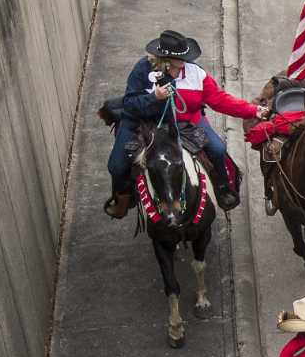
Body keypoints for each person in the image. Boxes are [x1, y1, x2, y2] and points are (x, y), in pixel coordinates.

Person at [101, 29, 256, 217]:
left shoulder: (195, 73)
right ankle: (123, 200)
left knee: (217, 149)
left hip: (181, 122)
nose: (184, 64)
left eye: (185, 59)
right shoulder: (141, 70)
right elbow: (130, 104)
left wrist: (253, 110)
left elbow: (220, 100)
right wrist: (153, 98)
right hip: (140, 122)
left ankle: (223, 189)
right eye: (178, 61)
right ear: (164, 61)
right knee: (116, 165)